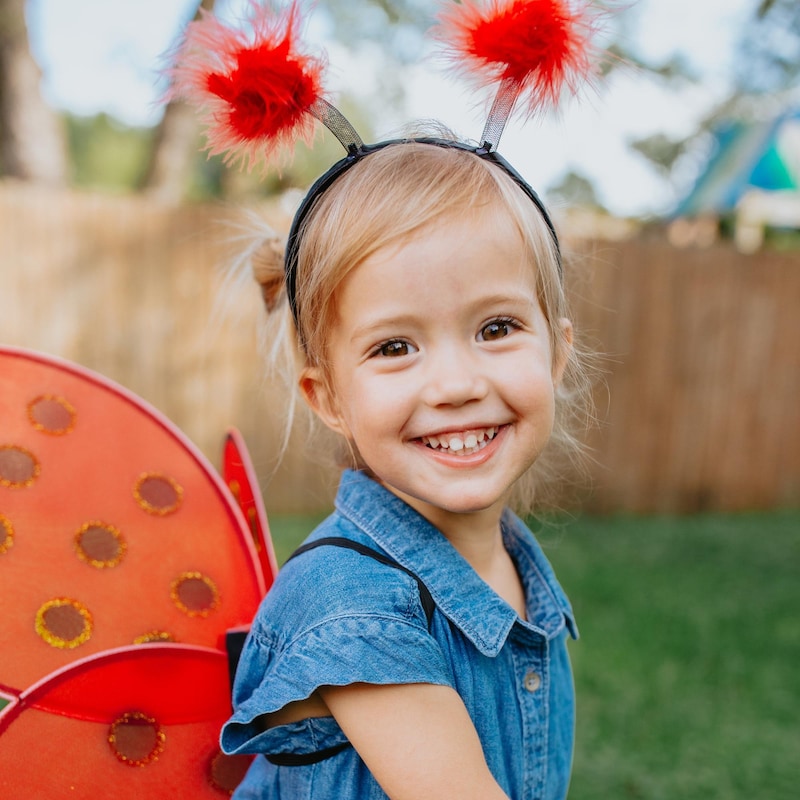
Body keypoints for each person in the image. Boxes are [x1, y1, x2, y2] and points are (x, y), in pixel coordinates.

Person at [167, 1, 602, 796]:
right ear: (326, 396)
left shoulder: (512, 567)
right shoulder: (351, 602)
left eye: (497, 327)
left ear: (558, 352)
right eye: (395, 347)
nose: (457, 384)